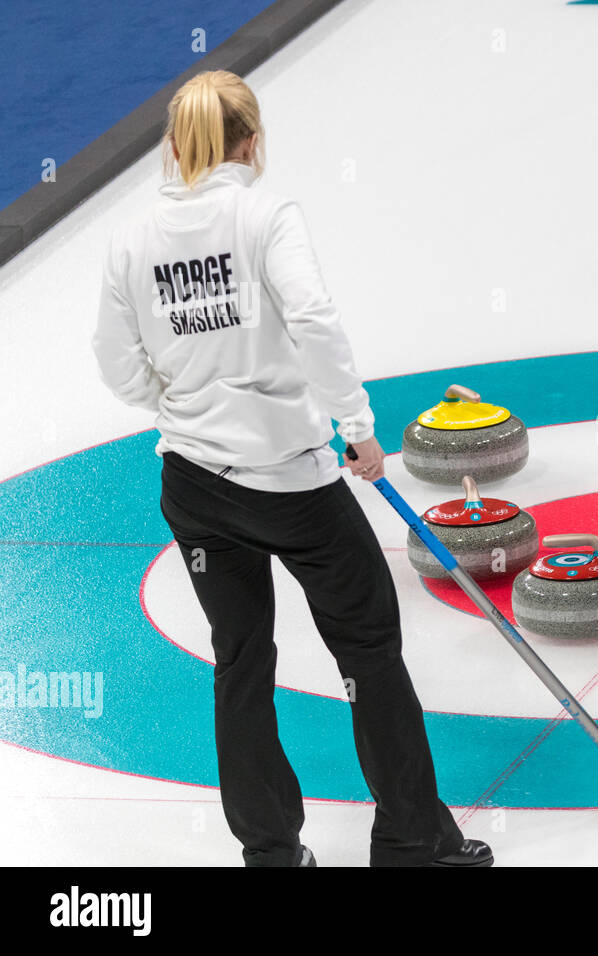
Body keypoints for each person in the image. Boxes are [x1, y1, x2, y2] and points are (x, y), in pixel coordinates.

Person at [91, 71, 490, 867]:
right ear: (251, 141)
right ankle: (413, 837)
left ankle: (270, 851)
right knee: (368, 649)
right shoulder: (266, 214)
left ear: (176, 146)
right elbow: (311, 317)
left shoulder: (132, 239)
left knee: (241, 657)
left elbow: (116, 361)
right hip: (293, 483)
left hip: (195, 485)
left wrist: (182, 404)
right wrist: (358, 425)